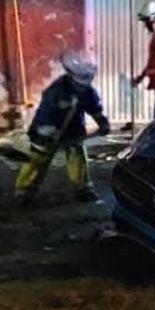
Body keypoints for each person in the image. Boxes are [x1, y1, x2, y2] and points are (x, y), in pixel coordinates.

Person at [15, 52, 110, 205]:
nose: (83, 85)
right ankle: (24, 190)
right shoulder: (55, 91)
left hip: (73, 131)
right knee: (38, 159)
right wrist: (47, 131)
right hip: (46, 131)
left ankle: (83, 189)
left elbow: (94, 107)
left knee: (77, 158)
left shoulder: (87, 91)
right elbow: (45, 113)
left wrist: (102, 122)